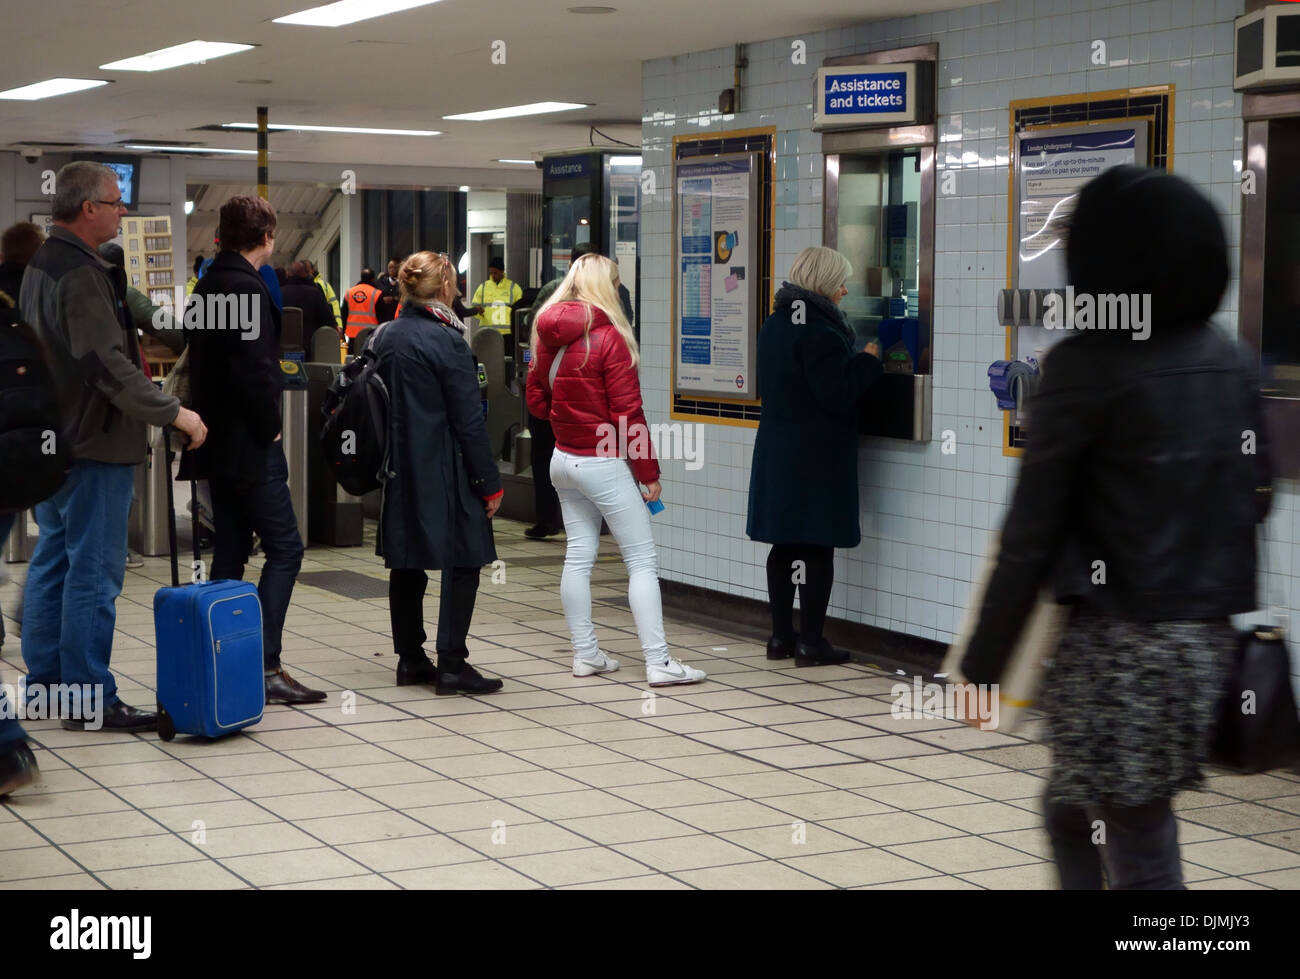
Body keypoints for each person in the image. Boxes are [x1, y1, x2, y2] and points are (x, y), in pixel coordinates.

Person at [960, 166, 1271, 890]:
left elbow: (1029, 533)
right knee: (1075, 804)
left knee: (1136, 838)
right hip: (1204, 638)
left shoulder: (1084, 367)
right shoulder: (1231, 361)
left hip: (1118, 648)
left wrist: (982, 666)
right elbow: (1255, 498)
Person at [19, 161, 207, 732]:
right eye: (115, 201)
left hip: (53, 441)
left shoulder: (43, 263)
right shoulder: (78, 274)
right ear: (88, 209)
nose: (123, 210)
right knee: (94, 574)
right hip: (93, 443)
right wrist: (175, 412)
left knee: (54, 559)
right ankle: (88, 695)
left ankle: (49, 685)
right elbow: (105, 364)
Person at [527, 254, 704, 687]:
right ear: (608, 287)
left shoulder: (546, 330)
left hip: (562, 459)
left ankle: (586, 655)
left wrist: (568, 418)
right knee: (642, 560)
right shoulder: (610, 338)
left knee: (578, 555)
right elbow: (629, 414)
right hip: (601, 463)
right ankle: (659, 662)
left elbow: (536, 401)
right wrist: (648, 473)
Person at [186, 196, 325, 706]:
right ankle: (264, 664)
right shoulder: (246, 288)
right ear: (267, 236)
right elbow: (253, 370)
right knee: (286, 548)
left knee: (231, 546)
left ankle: (222, 655)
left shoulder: (206, 286)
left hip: (214, 440)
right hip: (249, 443)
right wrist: (270, 427)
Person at [375, 252, 504, 695]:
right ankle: (452, 663)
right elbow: (469, 421)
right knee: (464, 557)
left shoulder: (385, 335)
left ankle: (410, 659)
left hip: (398, 467)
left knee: (406, 560)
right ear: (446, 287)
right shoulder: (448, 341)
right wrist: (489, 482)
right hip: (445, 468)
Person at [747, 246, 882, 666]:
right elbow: (835, 393)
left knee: (784, 545)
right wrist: (868, 362)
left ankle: (779, 638)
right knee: (817, 546)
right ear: (823, 284)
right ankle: (810, 642)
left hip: (777, 448)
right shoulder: (820, 331)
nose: (845, 290)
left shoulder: (775, 322)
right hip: (816, 454)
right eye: (840, 282)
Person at [281, 260, 338, 337]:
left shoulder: (280, 293)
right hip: (310, 343)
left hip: (283, 343)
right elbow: (328, 320)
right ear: (305, 274)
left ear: (288, 274)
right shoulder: (314, 293)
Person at [470, 256, 522, 334]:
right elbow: (474, 308)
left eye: (495, 273)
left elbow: (520, 313)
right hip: (487, 332)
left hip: (507, 333)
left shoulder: (514, 288)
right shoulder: (483, 287)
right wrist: (478, 312)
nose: (493, 275)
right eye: (491, 273)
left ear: (502, 271)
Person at [341, 267, 381, 340]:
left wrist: (343, 331)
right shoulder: (377, 293)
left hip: (352, 334)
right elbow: (381, 315)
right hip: (371, 334)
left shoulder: (349, 292)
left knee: (353, 352)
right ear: (373, 279)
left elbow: (344, 313)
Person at [307, 260, 342, 326]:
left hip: (323, 325)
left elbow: (334, 305)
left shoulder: (324, 285)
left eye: (307, 270)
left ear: (312, 270)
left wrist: (338, 325)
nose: (306, 272)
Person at [374, 256, 401, 323]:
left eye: (394, 268)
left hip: (398, 318)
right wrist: (382, 300)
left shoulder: (403, 284)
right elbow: (375, 298)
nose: (391, 270)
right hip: (383, 319)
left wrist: (394, 299)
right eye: (390, 268)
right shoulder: (380, 283)